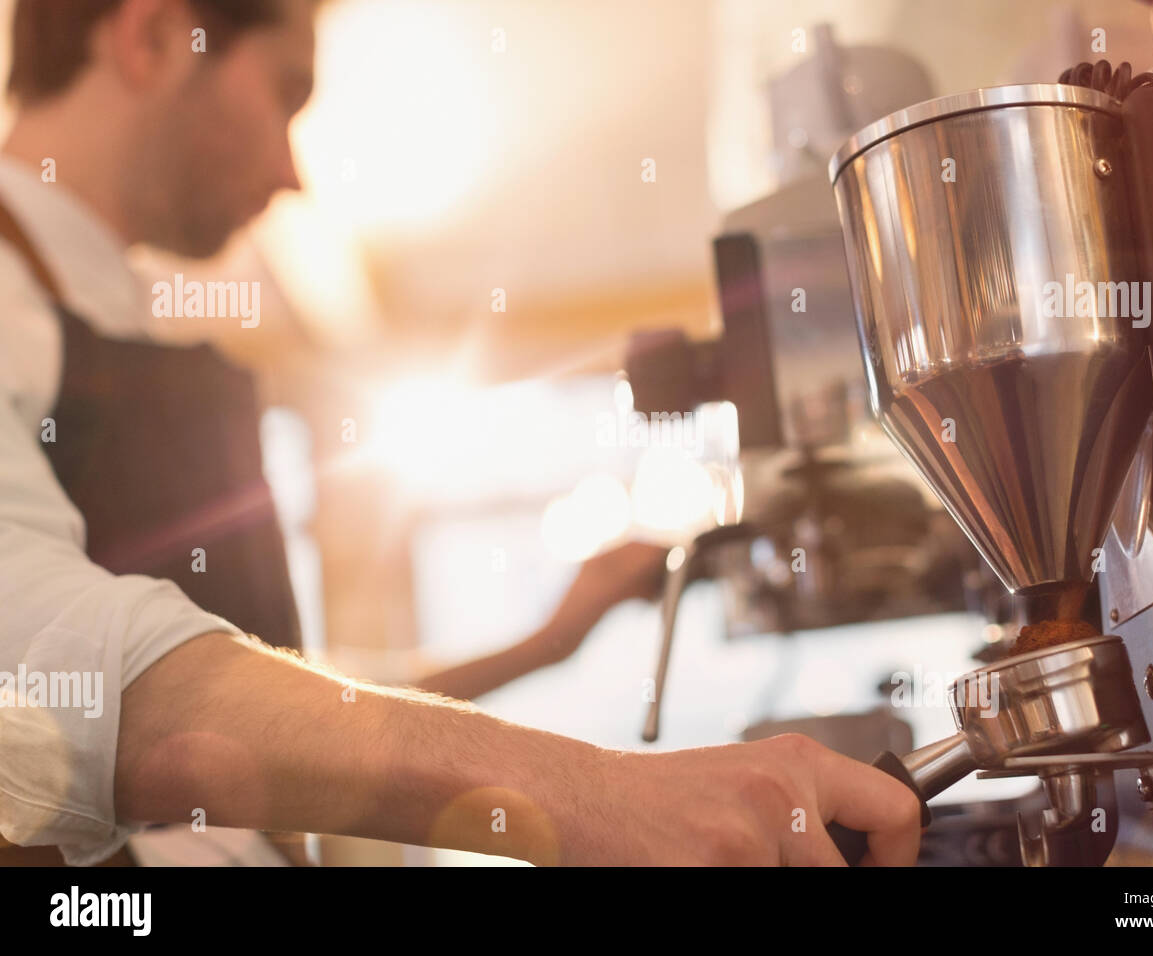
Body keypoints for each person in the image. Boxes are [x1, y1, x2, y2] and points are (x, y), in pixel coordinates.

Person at [0, 0, 921, 866]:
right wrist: (599, 796)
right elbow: (38, 664)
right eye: (286, 91)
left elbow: (294, 700)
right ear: (154, 36)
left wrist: (549, 639)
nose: (291, 174)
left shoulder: (110, 321)